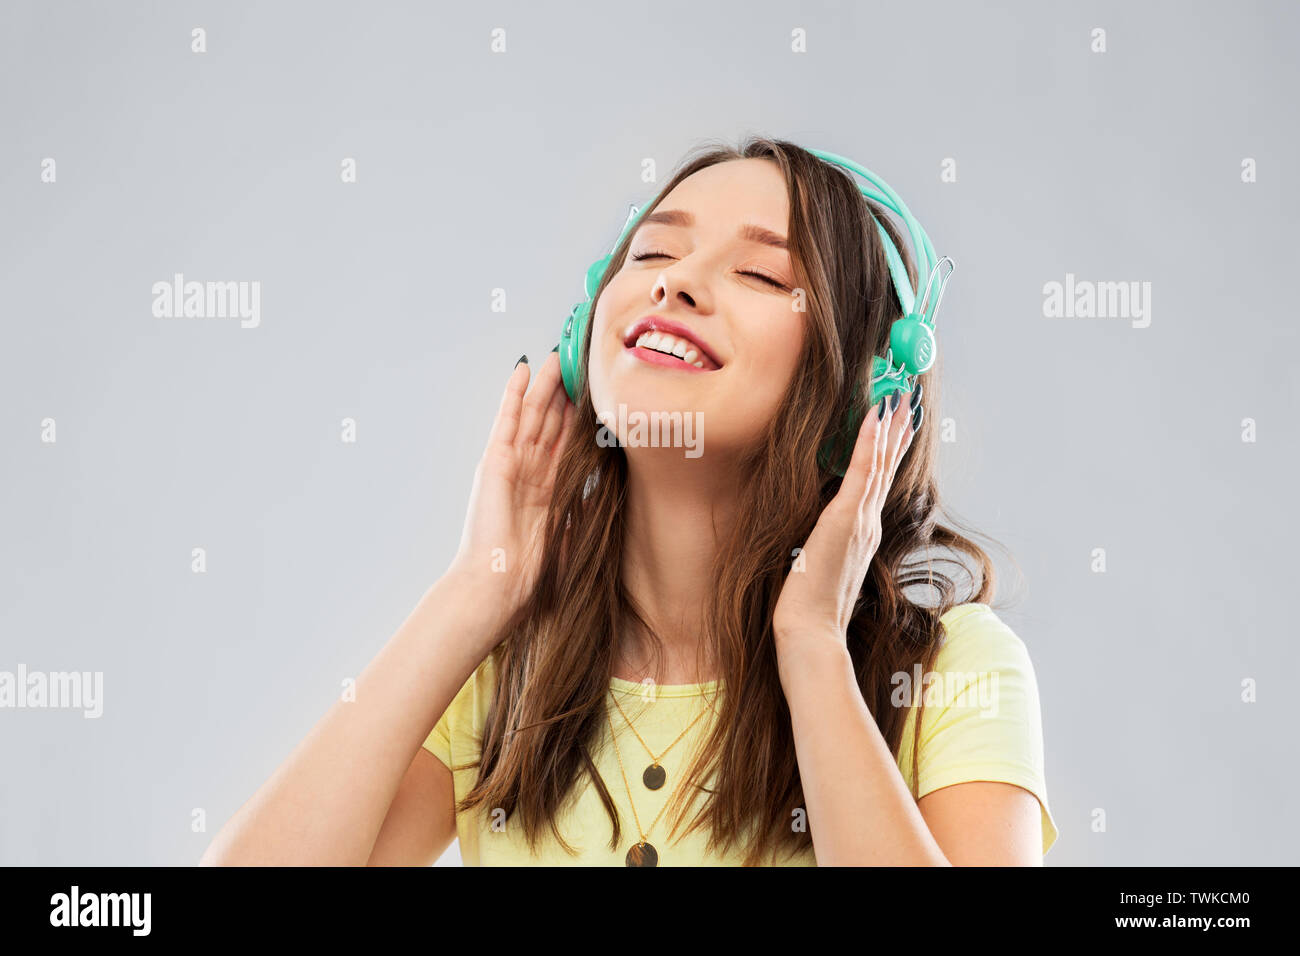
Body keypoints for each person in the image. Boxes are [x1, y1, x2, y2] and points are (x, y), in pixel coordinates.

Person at [200, 136, 1058, 867]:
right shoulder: (506, 677)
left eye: (761, 274)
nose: (675, 284)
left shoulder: (952, 672)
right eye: (652, 253)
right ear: (583, 340)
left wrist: (812, 652)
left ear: (864, 389)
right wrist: (475, 591)